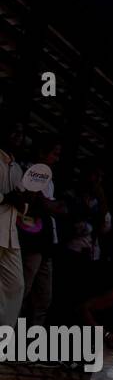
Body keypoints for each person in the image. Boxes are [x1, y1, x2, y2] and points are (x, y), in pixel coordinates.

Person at [19, 134, 63, 328]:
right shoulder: (30, 171)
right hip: (32, 241)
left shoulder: (49, 178)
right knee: (22, 291)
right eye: (54, 154)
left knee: (43, 298)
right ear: (41, 153)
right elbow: (41, 203)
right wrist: (54, 206)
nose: (57, 158)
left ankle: (30, 344)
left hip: (46, 243)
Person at [0, 119, 29, 329]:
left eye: (21, 134)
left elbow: (23, 204)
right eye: (15, 133)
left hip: (10, 235)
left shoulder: (18, 169)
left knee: (16, 285)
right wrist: (6, 197)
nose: (19, 138)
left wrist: (23, 203)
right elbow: (8, 197)